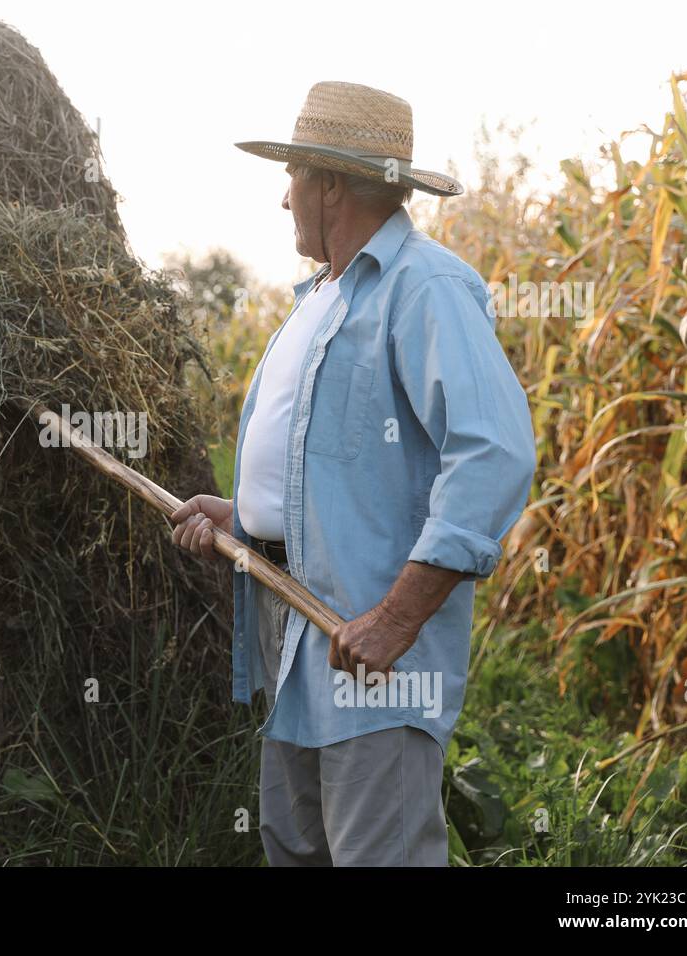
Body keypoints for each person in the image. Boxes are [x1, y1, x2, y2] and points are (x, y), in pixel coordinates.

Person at [170, 81, 536, 866]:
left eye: (294, 177)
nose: (283, 201)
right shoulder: (321, 298)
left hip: (376, 665)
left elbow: (494, 452)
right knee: (296, 850)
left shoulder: (425, 288)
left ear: (330, 184)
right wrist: (249, 518)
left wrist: (398, 618)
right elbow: (336, 468)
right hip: (295, 648)